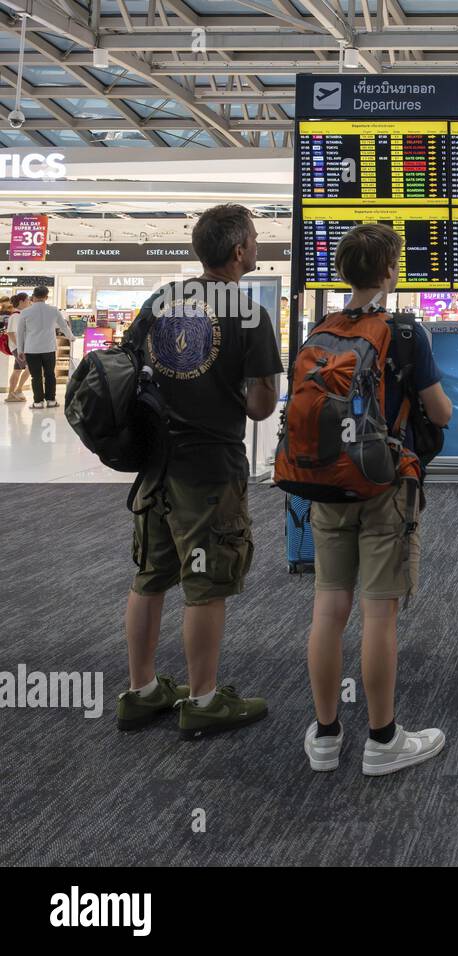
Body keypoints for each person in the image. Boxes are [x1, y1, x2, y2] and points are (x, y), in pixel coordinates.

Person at [113, 204, 283, 739]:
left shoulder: (160, 300)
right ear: (238, 252)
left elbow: (124, 368)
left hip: (155, 465)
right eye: (254, 239)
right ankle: (203, 699)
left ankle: (141, 691)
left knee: (149, 578)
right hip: (210, 471)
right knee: (205, 584)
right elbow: (261, 405)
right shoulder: (249, 313)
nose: (256, 246)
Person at [303, 223, 454, 777]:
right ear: (390, 270)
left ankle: (324, 735)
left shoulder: (320, 330)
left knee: (328, 607)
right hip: (387, 485)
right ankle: (383, 739)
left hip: (326, 483)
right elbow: (439, 415)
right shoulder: (408, 334)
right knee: (379, 613)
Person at [10, 286, 73, 410]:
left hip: (31, 349)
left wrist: (21, 350)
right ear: (46, 297)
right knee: (50, 375)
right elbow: (63, 327)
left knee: (36, 376)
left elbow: (20, 332)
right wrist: (71, 337)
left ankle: (38, 402)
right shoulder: (54, 310)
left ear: (33, 296)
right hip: (49, 348)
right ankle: (51, 400)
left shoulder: (25, 312)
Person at [4, 292, 32, 403]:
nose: (29, 302)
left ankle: (11, 394)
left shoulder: (20, 314)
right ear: (21, 302)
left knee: (17, 370)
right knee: (31, 367)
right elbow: (11, 333)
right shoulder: (16, 316)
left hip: (20, 347)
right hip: (18, 348)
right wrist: (21, 348)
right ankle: (18, 390)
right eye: (28, 300)